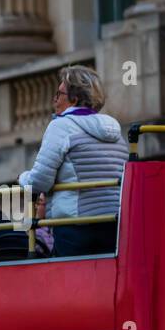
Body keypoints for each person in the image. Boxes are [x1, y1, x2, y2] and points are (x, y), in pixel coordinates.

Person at [18, 65, 128, 257]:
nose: (54, 100)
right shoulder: (117, 134)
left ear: (74, 99)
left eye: (59, 94)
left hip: (75, 227)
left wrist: (23, 178)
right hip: (114, 224)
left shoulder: (61, 126)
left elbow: (40, 182)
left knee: (71, 285)